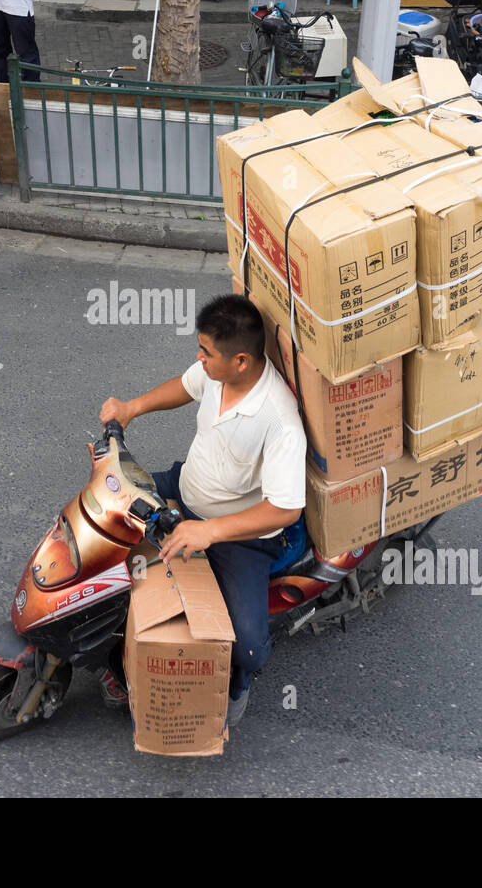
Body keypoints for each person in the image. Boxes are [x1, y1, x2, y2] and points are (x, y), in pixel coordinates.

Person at [98, 294, 307, 728]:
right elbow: (187, 384)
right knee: (106, 509)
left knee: (247, 646)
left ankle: (235, 686)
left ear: (242, 361)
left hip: (239, 536)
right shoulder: (217, 375)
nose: (200, 358)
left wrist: (209, 531)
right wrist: (131, 408)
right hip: (185, 485)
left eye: (206, 352)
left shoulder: (279, 420)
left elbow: (285, 509)